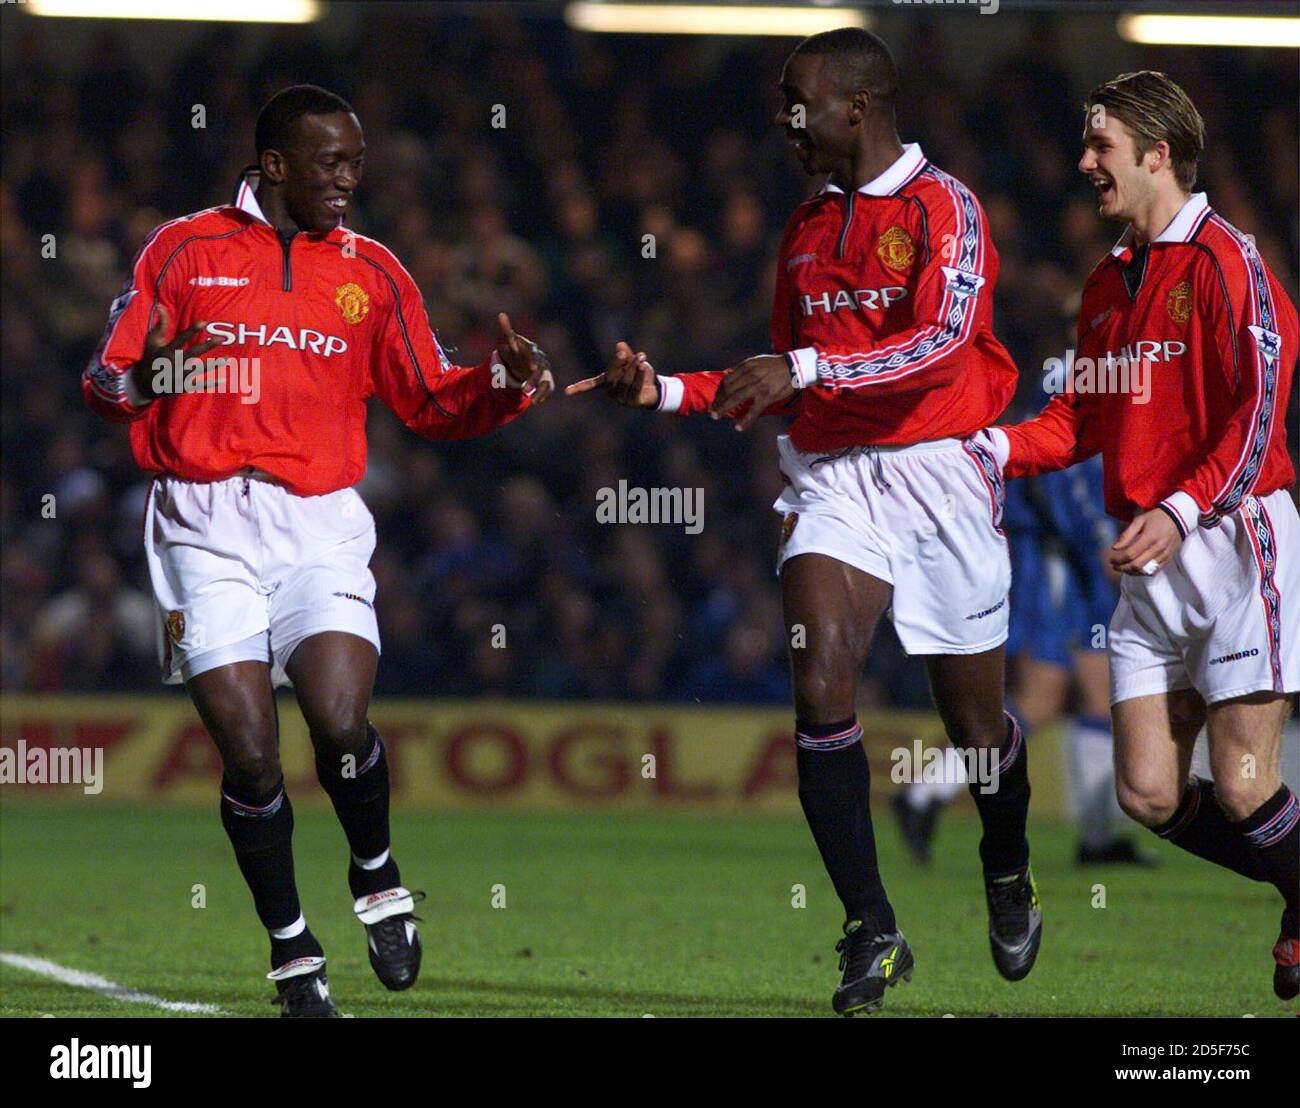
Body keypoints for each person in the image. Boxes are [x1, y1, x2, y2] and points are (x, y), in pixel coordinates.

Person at [569, 28, 1039, 1015]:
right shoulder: (804, 229)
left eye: (797, 101)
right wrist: (660, 391)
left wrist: (812, 368)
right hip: (833, 479)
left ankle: (1005, 859)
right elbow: (778, 383)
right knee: (819, 679)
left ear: (856, 107)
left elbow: (944, 344)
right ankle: (871, 926)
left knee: (973, 727)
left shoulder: (942, 205)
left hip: (940, 474)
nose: (783, 120)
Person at [82, 85, 553, 1016]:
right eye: (331, 164)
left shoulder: (372, 274)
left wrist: (503, 386)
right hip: (201, 523)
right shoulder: (183, 250)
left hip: (319, 521)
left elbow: (429, 398)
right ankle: (293, 951)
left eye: (356, 165)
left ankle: (376, 876)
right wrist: (154, 374)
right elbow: (109, 376)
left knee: (340, 719)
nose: (349, 180)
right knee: (251, 752)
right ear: (275, 166)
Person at [981, 71, 1298, 1000]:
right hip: (1148, 557)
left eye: (1102, 147)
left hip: (1236, 544)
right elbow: (1074, 422)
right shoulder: (1108, 284)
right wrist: (983, 448)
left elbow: (1261, 413)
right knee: (1149, 795)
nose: (1086, 163)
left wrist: (1182, 507)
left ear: (1159, 154)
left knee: (1243, 787)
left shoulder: (1229, 262)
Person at [896, 457, 1154, 867]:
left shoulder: (1083, 399)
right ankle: (924, 793)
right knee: (1053, 695)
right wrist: (1104, 542)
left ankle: (1096, 838)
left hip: (1070, 562)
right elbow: (1068, 480)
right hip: (1062, 565)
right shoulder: (1074, 398)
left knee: (1068, 699)